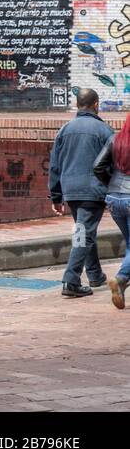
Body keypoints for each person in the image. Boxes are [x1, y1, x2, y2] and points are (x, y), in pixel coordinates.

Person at [50, 88, 115, 298]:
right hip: (93, 190)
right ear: (96, 104)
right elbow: (113, 163)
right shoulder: (104, 130)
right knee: (84, 234)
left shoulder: (64, 130)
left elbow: (55, 165)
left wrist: (56, 196)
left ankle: (95, 274)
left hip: (70, 190)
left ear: (78, 104)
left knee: (84, 230)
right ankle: (71, 280)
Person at [94, 116, 130, 309]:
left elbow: (97, 166)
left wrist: (111, 183)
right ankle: (121, 278)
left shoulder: (115, 139)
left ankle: (122, 286)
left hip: (113, 198)